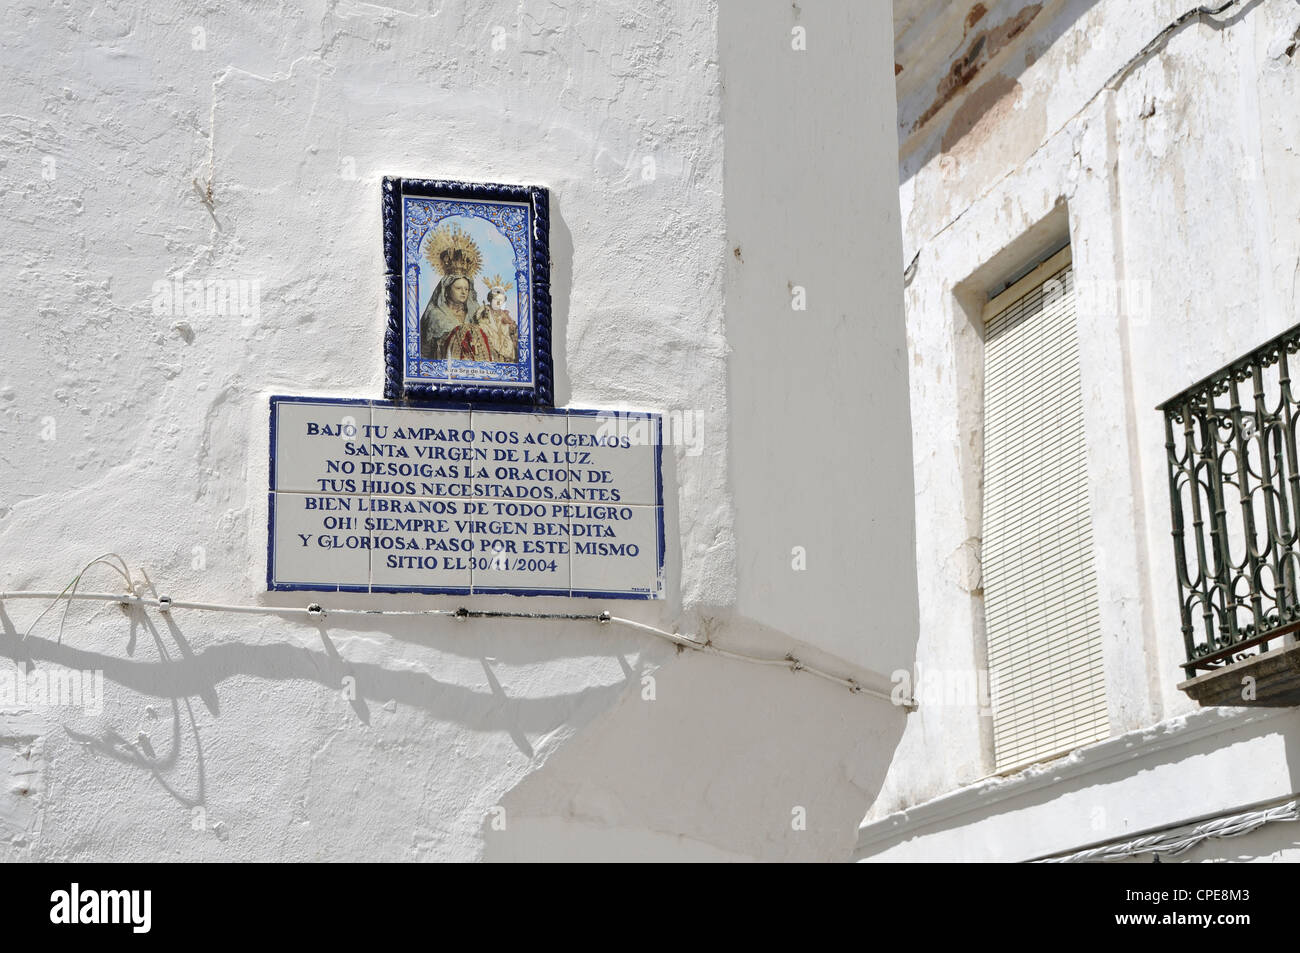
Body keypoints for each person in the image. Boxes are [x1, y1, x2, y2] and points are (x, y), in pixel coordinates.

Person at [420, 274, 478, 359]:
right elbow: (425, 349)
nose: (463, 292)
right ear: (446, 290)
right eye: (458, 288)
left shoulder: (473, 314)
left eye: (466, 289)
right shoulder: (436, 315)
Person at [476, 287, 518, 363]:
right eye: (496, 300)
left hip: (504, 343)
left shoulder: (504, 314)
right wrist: (484, 314)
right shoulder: (485, 309)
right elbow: (479, 319)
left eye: (501, 301)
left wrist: (512, 327)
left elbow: (511, 327)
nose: (498, 303)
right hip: (490, 339)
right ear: (490, 299)